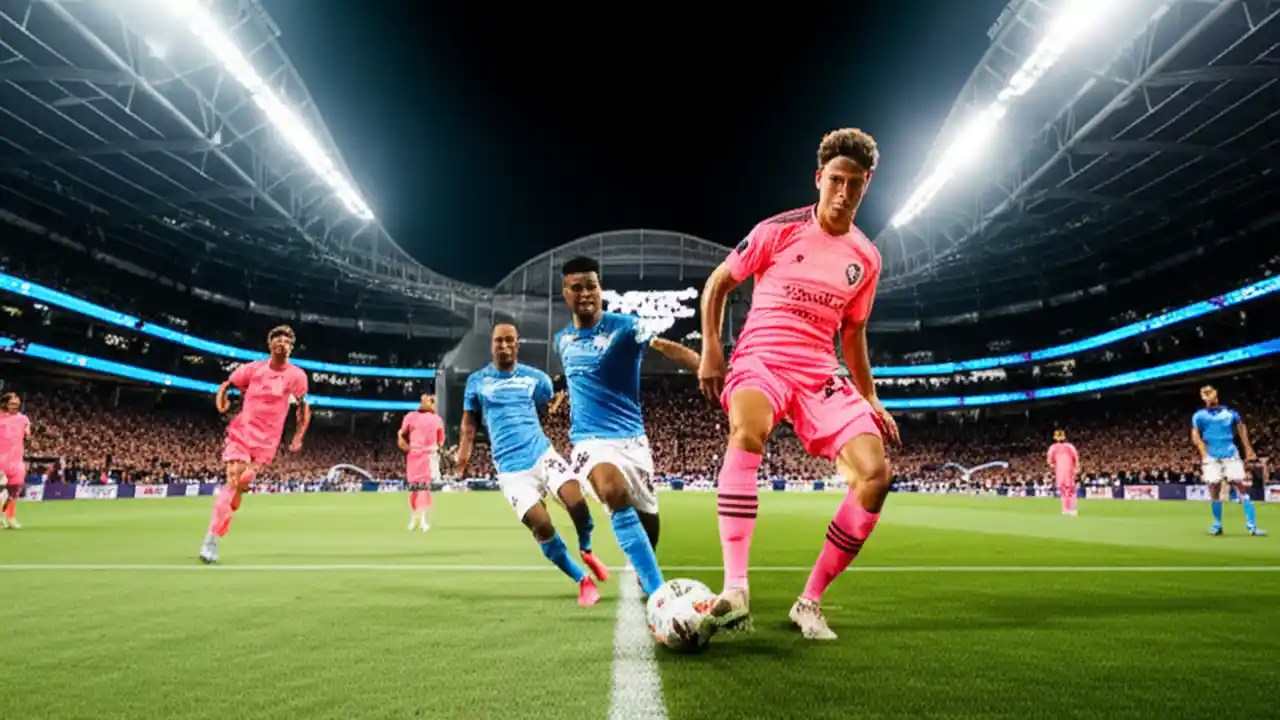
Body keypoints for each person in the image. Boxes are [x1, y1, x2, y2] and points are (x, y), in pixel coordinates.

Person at [697, 128, 899, 640]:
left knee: (875, 476)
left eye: (855, 183)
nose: (843, 192)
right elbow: (719, 283)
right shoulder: (777, 231)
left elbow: (853, 332)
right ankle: (735, 588)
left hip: (819, 370)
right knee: (747, 431)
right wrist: (712, 348)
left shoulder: (867, 258)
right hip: (762, 358)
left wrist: (871, 398)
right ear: (819, 178)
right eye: (836, 179)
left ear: (867, 184)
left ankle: (809, 601)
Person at [556, 257, 696, 599]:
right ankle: (659, 590)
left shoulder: (626, 326)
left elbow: (663, 346)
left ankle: (644, 572)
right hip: (589, 441)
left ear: (601, 289)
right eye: (578, 287)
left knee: (649, 522)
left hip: (633, 439)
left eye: (592, 285)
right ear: (565, 293)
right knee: (613, 491)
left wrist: (703, 366)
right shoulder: (563, 339)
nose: (586, 293)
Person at [457, 323, 609, 607]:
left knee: (576, 500)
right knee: (542, 526)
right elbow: (469, 422)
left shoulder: (536, 378)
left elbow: (547, 401)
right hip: (511, 470)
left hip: (542, 454)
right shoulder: (477, 382)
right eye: (498, 341)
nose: (503, 346)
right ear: (492, 344)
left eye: (509, 341)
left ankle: (586, 549)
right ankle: (582, 580)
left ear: (517, 344)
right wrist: (463, 453)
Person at [199, 325, 311, 563]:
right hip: (243, 432)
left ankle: (239, 491)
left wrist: (299, 435)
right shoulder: (253, 369)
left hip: (268, 440)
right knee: (233, 476)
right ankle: (212, 538)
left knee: (242, 482)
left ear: (292, 347)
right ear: (270, 344)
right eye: (278, 339)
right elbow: (227, 384)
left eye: (287, 340)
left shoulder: (297, 376)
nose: (282, 342)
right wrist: (222, 401)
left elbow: (302, 407)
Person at [1192, 385, 1265, 536]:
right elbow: (1195, 433)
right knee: (1214, 489)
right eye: (1205, 394)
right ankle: (1217, 525)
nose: (1208, 396)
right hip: (1211, 456)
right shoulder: (1199, 416)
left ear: (1216, 396)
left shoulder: (1230, 413)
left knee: (1241, 487)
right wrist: (1202, 451)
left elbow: (1241, 427)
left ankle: (1252, 526)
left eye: (1209, 393)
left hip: (1230, 454)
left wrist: (1248, 448)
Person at [398, 394, 444, 532]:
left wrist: (406, 445)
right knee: (418, 488)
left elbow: (401, 434)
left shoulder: (413, 417)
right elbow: (441, 440)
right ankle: (417, 518)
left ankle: (419, 519)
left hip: (420, 455)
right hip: (420, 454)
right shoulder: (432, 419)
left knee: (419, 488)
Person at [0, 392, 31, 530]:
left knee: (13, 492)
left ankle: (10, 517)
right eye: (12, 403)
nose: (15, 406)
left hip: (16, 460)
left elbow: (27, 431)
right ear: (4, 404)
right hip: (1, 460)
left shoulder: (23, 419)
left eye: (17, 403)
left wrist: (27, 432)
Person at [1047, 430, 1079, 516]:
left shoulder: (1053, 448)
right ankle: (1072, 509)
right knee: (1071, 491)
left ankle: (1066, 509)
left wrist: (1055, 466)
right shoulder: (1070, 446)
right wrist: (1076, 468)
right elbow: (1076, 458)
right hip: (1069, 472)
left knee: (1064, 492)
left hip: (1060, 473)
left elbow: (1049, 461)